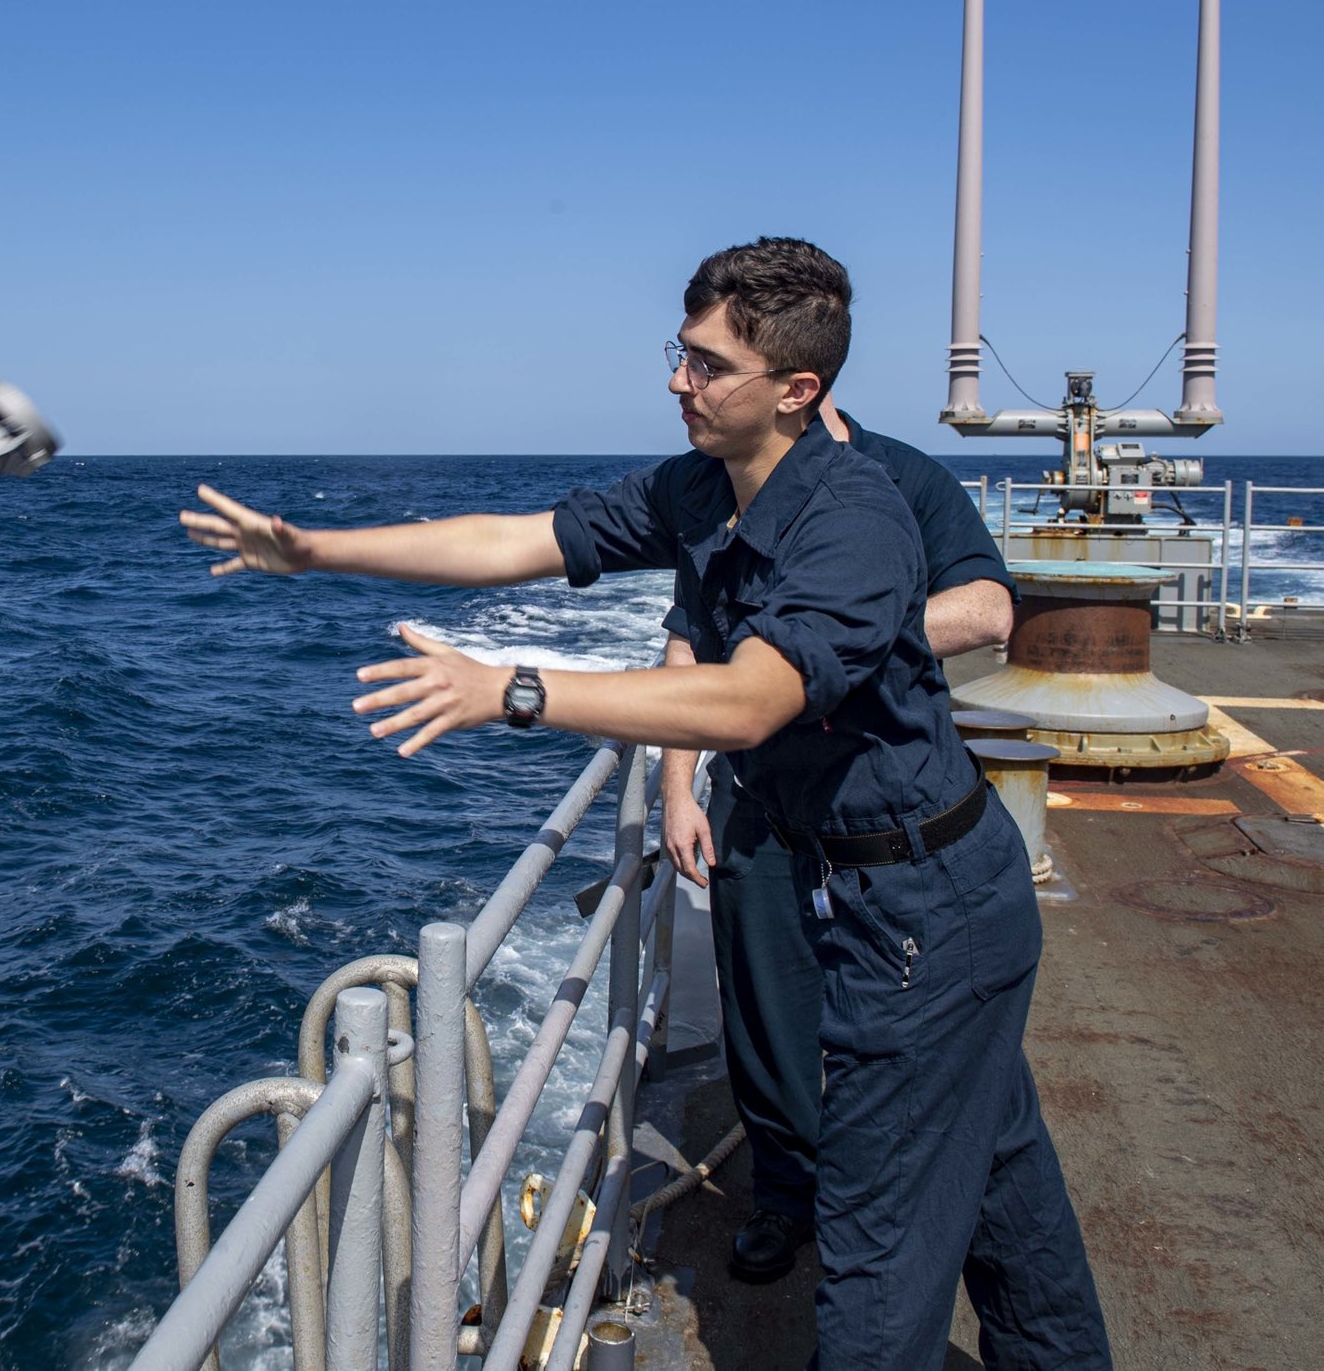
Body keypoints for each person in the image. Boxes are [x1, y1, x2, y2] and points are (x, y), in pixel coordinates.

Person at [180, 236, 1110, 1369]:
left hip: (922, 911)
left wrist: (512, 689)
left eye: (708, 365)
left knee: (872, 1263)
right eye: (678, 354)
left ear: (794, 391)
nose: (679, 380)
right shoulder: (699, 487)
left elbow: (745, 702)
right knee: (1005, 1190)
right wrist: (313, 548)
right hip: (882, 887)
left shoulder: (856, 522)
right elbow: (516, 539)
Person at [658, 397, 1017, 1285]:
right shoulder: (722, 492)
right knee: (765, 1010)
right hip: (758, 805)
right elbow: (686, 646)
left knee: (897, 1022)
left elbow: (987, 607)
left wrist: (829, 646)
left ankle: (883, 1201)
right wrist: (676, 787)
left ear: (802, 399)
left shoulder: (901, 478)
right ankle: (785, 1195)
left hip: (874, 813)